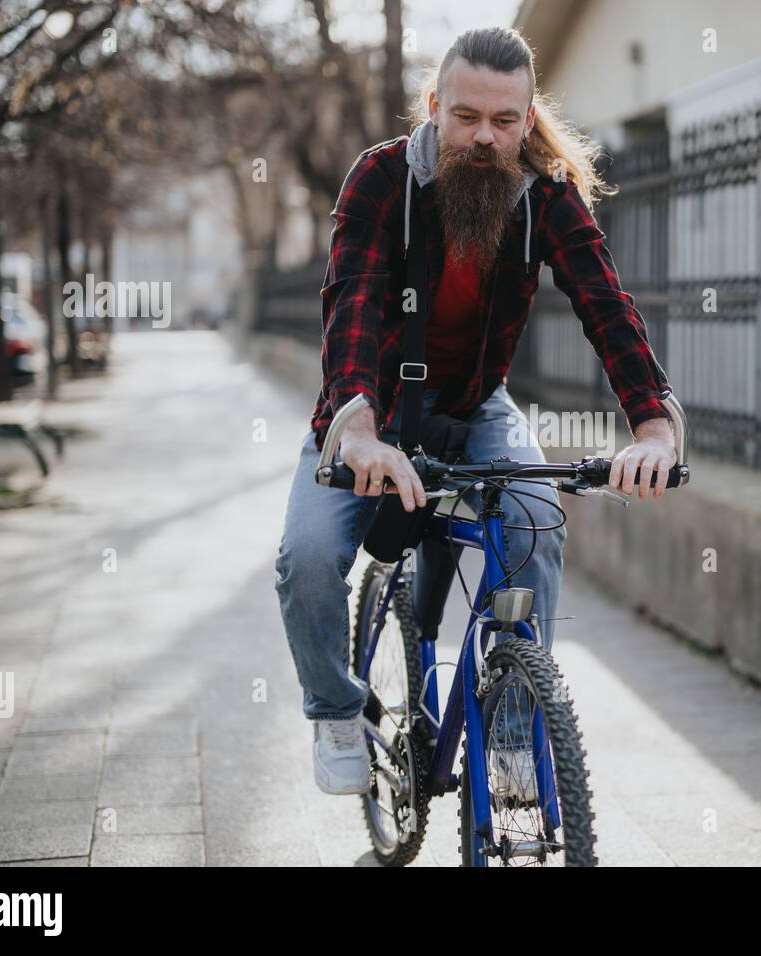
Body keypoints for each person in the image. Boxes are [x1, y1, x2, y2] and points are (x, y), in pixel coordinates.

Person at [274, 26, 678, 798]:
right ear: (433, 106)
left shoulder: (545, 196)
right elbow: (351, 301)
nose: (484, 139)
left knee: (535, 520)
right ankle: (335, 710)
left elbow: (606, 305)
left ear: (527, 119)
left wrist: (653, 424)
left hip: (475, 404)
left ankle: (513, 733)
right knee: (309, 558)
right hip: (370, 410)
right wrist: (354, 428)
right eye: (466, 118)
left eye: (503, 121)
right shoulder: (380, 181)